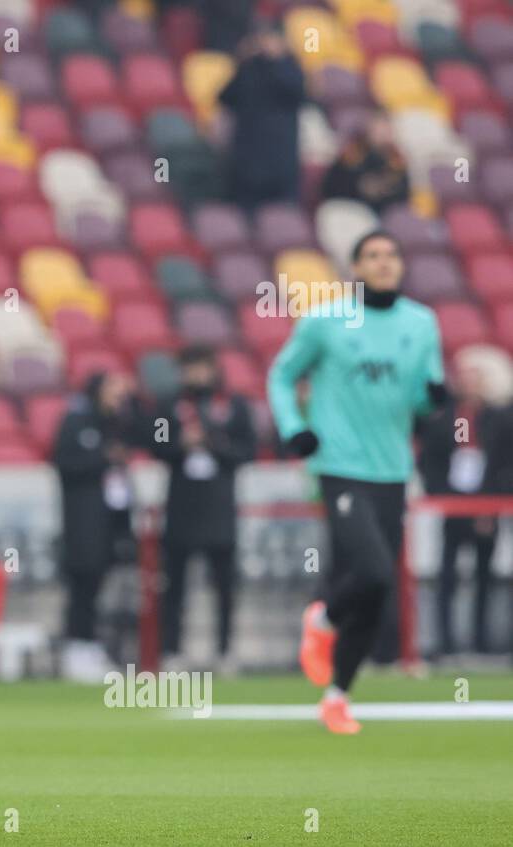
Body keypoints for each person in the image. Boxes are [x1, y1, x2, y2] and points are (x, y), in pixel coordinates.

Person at [268, 230, 445, 734]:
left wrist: (435, 400)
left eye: (392, 254)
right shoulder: (327, 320)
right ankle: (321, 621)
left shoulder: (421, 322)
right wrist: (294, 428)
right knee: (374, 573)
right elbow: (281, 375)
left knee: (374, 590)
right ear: (356, 268)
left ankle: (338, 696)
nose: (385, 263)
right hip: (341, 467)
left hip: (392, 470)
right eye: (373, 256)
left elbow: (422, 398)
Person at [151, 344, 256, 672]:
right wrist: (181, 445)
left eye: (201, 368)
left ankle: (225, 650)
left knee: (224, 585)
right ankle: (172, 651)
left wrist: (213, 442)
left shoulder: (232, 406)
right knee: (175, 586)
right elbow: (157, 445)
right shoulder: (169, 407)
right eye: (190, 369)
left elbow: (247, 450)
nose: (196, 376)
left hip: (219, 506)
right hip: (182, 506)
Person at [416, 345, 513, 659]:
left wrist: (490, 503)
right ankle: (445, 644)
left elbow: (503, 463)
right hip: (452, 504)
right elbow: (430, 459)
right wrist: (442, 495)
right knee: (447, 574)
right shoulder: (443, 416)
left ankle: (482, 642)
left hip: (486, 504)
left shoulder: (498, 418)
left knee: (485, 574)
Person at [52, 370, 138, 683]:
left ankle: (89, 645)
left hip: (107, 522)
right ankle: (76, 646)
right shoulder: (76, 422)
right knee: (82, 585)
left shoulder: (114, 425)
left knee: (97, 583)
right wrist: (103, 459)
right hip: (82, 521)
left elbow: (146, 427)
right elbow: (65, 464)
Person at [218, 25, 304, 210]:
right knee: (244, 210)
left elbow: (298, 94)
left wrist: (277, 61)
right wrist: (240, 61)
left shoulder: (291, 68)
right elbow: (225, 97)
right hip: (248, 156)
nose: (267, 45)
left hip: (280, 157)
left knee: (283, 214)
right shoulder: (249, 68)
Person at [321, 110, 410, 214]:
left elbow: (405, 194)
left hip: (384, 212)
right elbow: (330, 187)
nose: (382, 134)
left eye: (386, 129)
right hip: (352, 209)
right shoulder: (353, 153)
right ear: (369, 130)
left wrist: (383, 190)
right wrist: (360, 187)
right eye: (378, 129)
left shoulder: (396, 158)